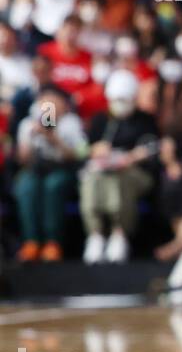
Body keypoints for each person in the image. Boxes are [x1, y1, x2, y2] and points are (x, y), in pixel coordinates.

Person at [80, 69, 157, 263]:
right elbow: (83, 150)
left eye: (125, 100)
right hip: (101, 172)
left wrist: (132, 157)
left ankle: (119, 232)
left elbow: (152, 147)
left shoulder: (145, 120)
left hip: (135, 173)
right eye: (116, 100)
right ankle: (95, 233)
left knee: (119, 179)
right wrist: (95, 150)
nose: (120, 105)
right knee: (92, 180)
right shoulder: (101, 121)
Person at [12, 85, 86, 261]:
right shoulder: (27, 124)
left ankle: (53, 242)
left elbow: (79, 154)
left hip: (62, 169)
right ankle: (31, 241)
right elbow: (22, 159)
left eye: (53, 101)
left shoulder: (71, 123)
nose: (48, 104)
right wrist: (33, 135)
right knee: (25, 186)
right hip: (35, 168)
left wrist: (53, 138)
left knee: (53, 186)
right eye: (44, 100)